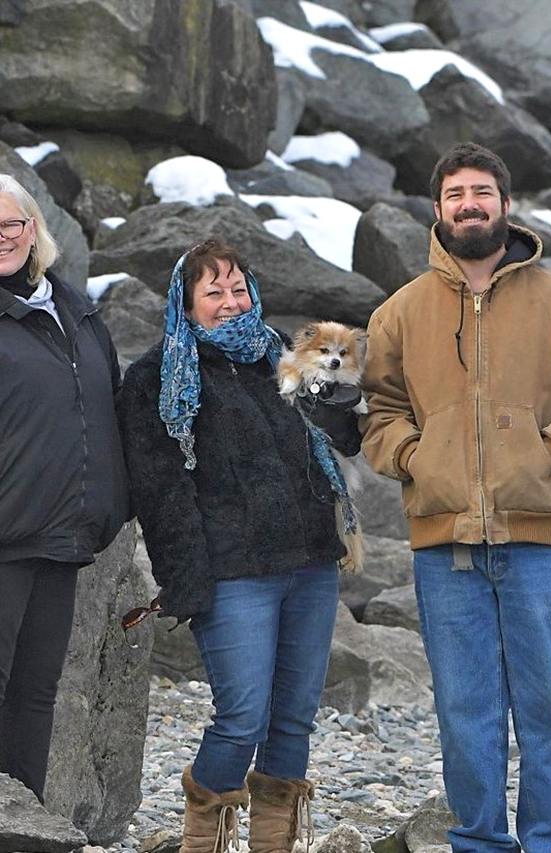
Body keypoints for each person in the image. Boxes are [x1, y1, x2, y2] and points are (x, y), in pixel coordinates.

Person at [360, 143, 551, 853]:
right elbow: (380, 413)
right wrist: (415, 457)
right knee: (465, 714)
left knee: (547, 711)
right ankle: (479, 842)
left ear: (506, 206)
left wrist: (548, 452)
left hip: (540, 542)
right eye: (456, 194)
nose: (470, 205)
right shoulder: (399, 313)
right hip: (445, 547)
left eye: (482, 192)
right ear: (437, 210)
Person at [118, 239, 360, 853]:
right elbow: (160, 491)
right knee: (242, 717)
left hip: (310, 562)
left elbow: (343, 440)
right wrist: (184, 582)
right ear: (185, 303)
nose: (230, 302)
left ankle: (273, 841)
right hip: (233, 574)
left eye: (238, 288)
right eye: (213, 291)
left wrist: (338, 393)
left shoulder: (282, 357)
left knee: (293, 717)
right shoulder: (155, 376)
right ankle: (204, 827)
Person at [0, 174, 128, 803]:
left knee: (34, 693)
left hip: (63, 535)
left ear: (33, 230)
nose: (1, 237)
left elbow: (112, 407)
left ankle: (21, 823)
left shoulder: (77, 312)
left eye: (10, 224)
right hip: (4, 536)